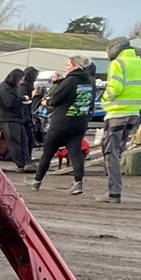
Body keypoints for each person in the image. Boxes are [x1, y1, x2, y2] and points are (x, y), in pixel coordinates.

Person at [98, 37, 141, 203]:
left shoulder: (117, 64)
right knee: (118, 151)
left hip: (116, 114)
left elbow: (115, 88)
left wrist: (105, 99)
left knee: (111, 152)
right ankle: (113, 189)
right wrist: (136, 99)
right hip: (133, 114)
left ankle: (114, 192)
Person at [32, 55, 95, 196]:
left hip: (62, 122)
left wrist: (46, 102)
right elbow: (90, 102)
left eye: (68, 65)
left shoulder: (70, 80)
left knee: (48, 152)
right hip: (80, 121)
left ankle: (37, 181)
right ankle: (78, 183)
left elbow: (56, 98)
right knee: (75, 153)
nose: (66, 68)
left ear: (75, 66)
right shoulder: (90, 81)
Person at [0, 67, 34, 171]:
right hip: (9, 120)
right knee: (16, 143)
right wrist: (23, 99)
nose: (22, 82)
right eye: (21, 79)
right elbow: (10, 103)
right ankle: (21, 164)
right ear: (15, 78)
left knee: (22, 141)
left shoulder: (8, 88)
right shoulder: (6, 89)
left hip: (14, 120)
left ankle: (26, 163)